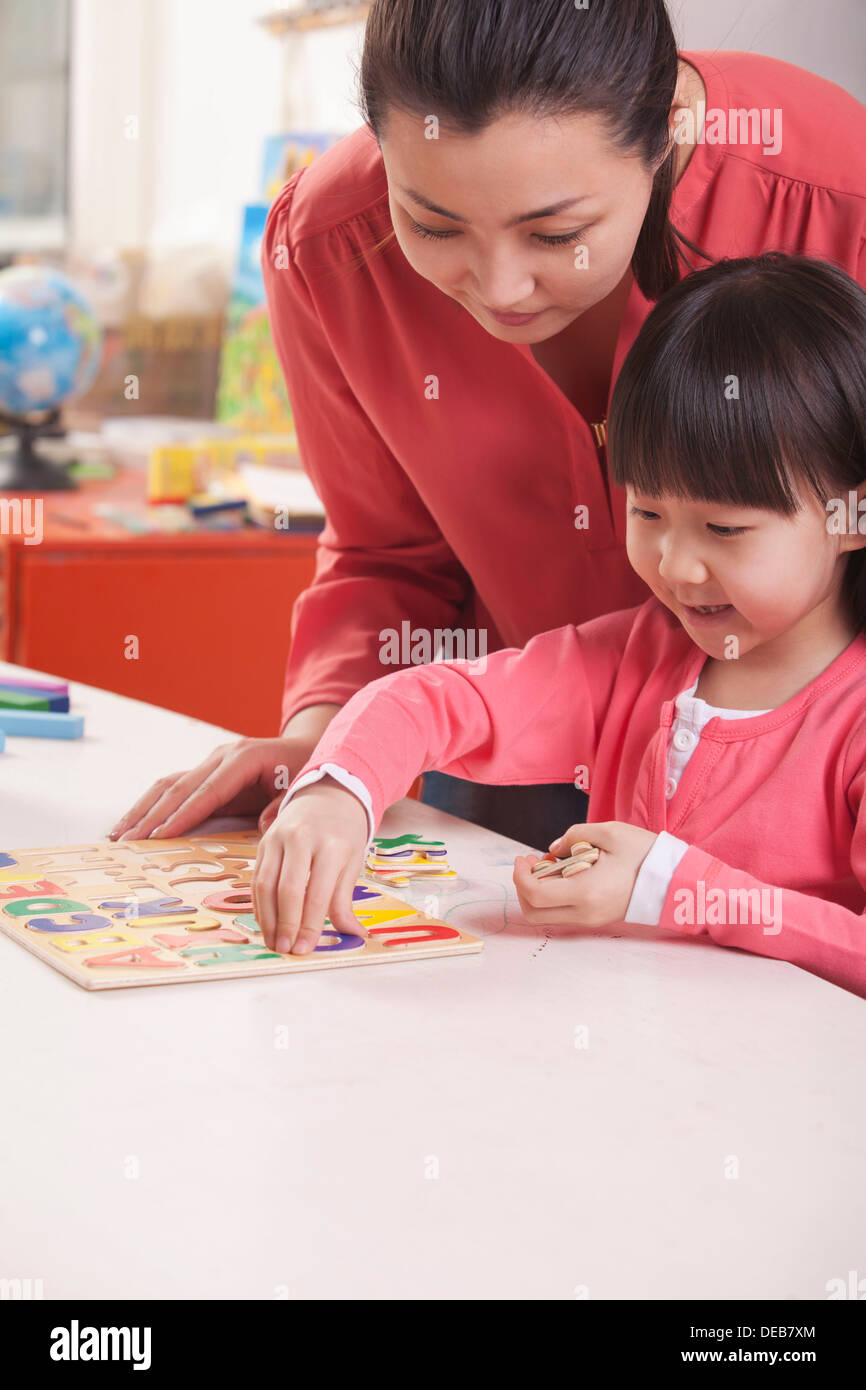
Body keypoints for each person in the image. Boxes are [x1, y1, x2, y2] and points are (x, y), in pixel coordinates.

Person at [110, 0, 866, 851]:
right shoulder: (328, 245)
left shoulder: (839, 197)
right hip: (502, 772)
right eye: (432, 225)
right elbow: (387, 557)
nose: (501, 289)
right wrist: (326, 748)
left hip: (812, 801)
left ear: (662, 138)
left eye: (557, 232)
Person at [249, 255, 866, 1000]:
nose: (676, 565)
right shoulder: (632, 658)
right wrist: (335, 794)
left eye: (726, 529)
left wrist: (671, 885)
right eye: (646, 512)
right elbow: (434, 700)